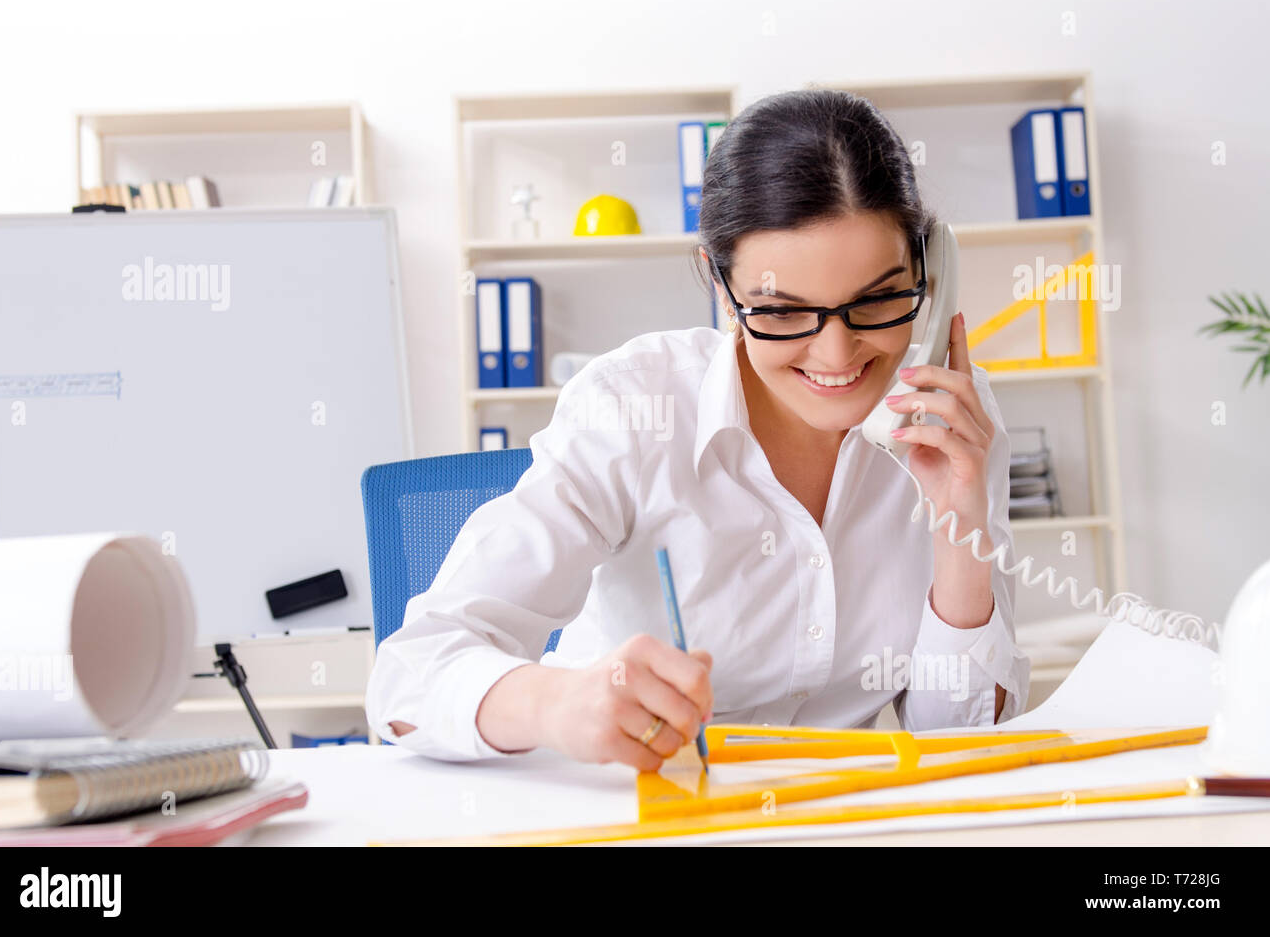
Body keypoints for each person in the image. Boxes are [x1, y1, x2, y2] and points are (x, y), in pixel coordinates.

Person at [366, 88, 1030, 769]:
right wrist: (554, 703)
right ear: (719, 284)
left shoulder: (955, 425)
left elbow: (957, 742)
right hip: (629, 808)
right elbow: (408, 677)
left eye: (879, 298)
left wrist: (960, 533)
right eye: (781, 310)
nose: (837, 355)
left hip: (831, 817)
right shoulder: (633, 409)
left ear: (931, 271)